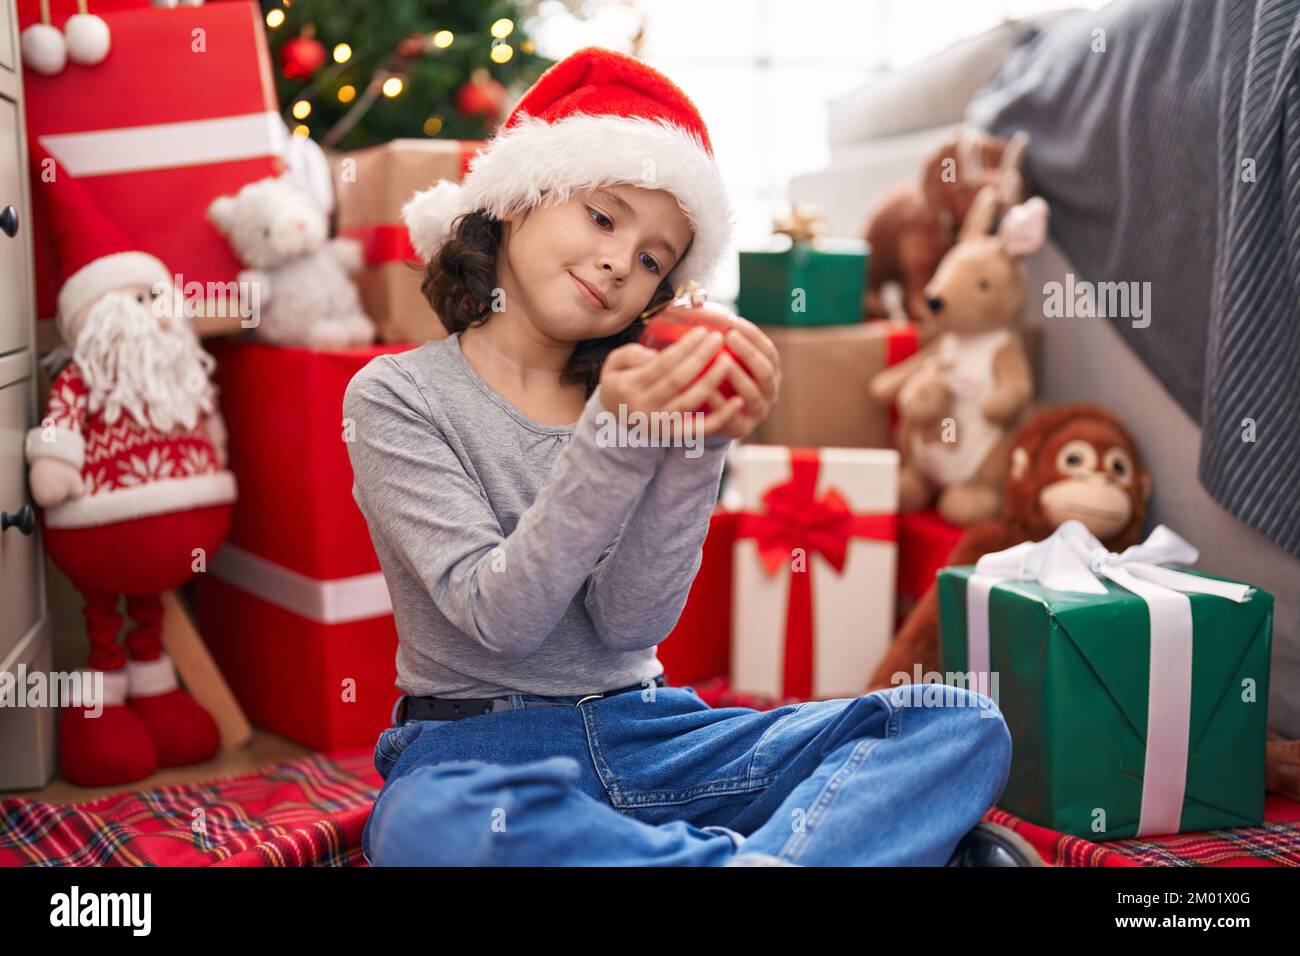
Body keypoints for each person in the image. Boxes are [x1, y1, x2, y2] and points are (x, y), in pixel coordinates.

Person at [343, 46, 1024, 867]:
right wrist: (616, 440)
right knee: (426, 829)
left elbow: (630, 624)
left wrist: (703, 443)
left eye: (652, 259)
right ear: (515, 198)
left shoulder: (646, 398)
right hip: (478, 747)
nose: (617, 264)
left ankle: (702, 855)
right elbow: (501, 619)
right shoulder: (395, 397)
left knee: (956, 722)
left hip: (654, 734)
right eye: (603, 216)